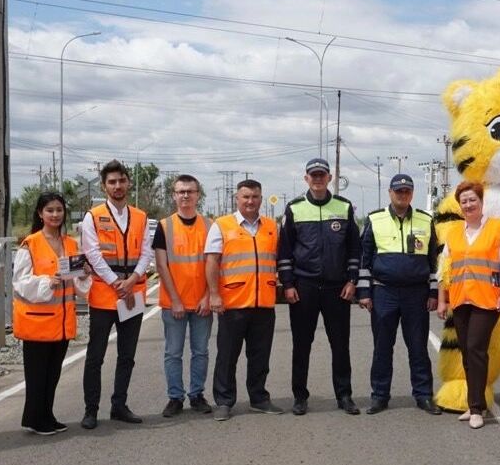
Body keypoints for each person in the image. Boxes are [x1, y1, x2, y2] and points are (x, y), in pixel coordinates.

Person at [278, 158, 361, 416]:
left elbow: (354, 250)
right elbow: (284, 251)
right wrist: (288, 284)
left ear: (330, 178)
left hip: (338, 288)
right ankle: (300, 397)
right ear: (306, 178)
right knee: (302, 344)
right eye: (313, 175)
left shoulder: (344, 207)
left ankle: (344, 395)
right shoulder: (294, 209)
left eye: (322, 175)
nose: (317, 179)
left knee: (340, 344)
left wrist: (352, 280)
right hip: (304, 287)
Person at [357, 174, 442, 415]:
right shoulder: (375, 219)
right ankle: (379, 396)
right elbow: (365, 259)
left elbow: (433, 261)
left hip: (417, 294)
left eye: (406, 191)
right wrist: (364, 292)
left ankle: (424, 395)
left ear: (412, 194)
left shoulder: (426, 220)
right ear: (390, 193)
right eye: (398, 191)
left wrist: (433, 292)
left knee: (418, 347)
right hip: (384, 292)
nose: (402, 195)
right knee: (382, 347)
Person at [80, 160, 154, 429]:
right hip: (103, 295)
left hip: (133, 293)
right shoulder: (92, 216)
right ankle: (91, 410)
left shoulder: (141, 216)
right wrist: (116, 283)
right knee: (95, 355)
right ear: (104, 185)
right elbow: (93, 255)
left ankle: (119, 405)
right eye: (112, 182)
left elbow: (146, 252)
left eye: (122, 181)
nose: (118, 186)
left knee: (127, 354)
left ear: (128, 183)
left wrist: (132, 280)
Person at [436, 181, 500, 429]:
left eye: (473, 200)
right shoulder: (454, 233)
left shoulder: (499, 229)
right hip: (460, 300)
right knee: (468, 354)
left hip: (487, 300)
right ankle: (473, 404)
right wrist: (442, 300)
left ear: (481, 203)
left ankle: (477, 407)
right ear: (460, 206)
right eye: (464, 201)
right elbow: (444, 271)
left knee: (476, 349)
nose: (469, 205)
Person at [12, 192, 92, 435]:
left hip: (63, 321)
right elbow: (20, 282)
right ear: (40, 214)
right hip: (37, 323)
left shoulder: (70, 244)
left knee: (52, 374)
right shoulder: (30, 244)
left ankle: (47, 414)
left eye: (59, 210)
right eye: (50, 210)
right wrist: (48, 282)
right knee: (37, 375)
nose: (55, 214)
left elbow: (78, 286)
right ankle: (35, 419)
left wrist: (85, 273)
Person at [205, 179, 282, 422]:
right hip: (232, 303)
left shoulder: (271, 226)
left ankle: (259, 398)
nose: (250, 201)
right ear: (237, 199)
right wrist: (214, 294)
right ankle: (224, 401)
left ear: (261, 198)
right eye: (246, 197)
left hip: (263, 303)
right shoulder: (222, 225)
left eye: (255, 196)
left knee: (260, 355)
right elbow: (211, 262)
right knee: (227, 356)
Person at [153, 174, 213, 417]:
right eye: (181, 191)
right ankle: (175, 397)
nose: (186, 195)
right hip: (173, 304)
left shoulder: (210, 226)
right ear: (174, 195)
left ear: (198, 195)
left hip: (202, 303)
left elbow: (215, 264)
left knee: (201, 352)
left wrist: (208, 296)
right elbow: (161, 265)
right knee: (173, 353)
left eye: (190, 191)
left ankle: (197, 394)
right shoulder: (164, 226)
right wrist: (176, 300)